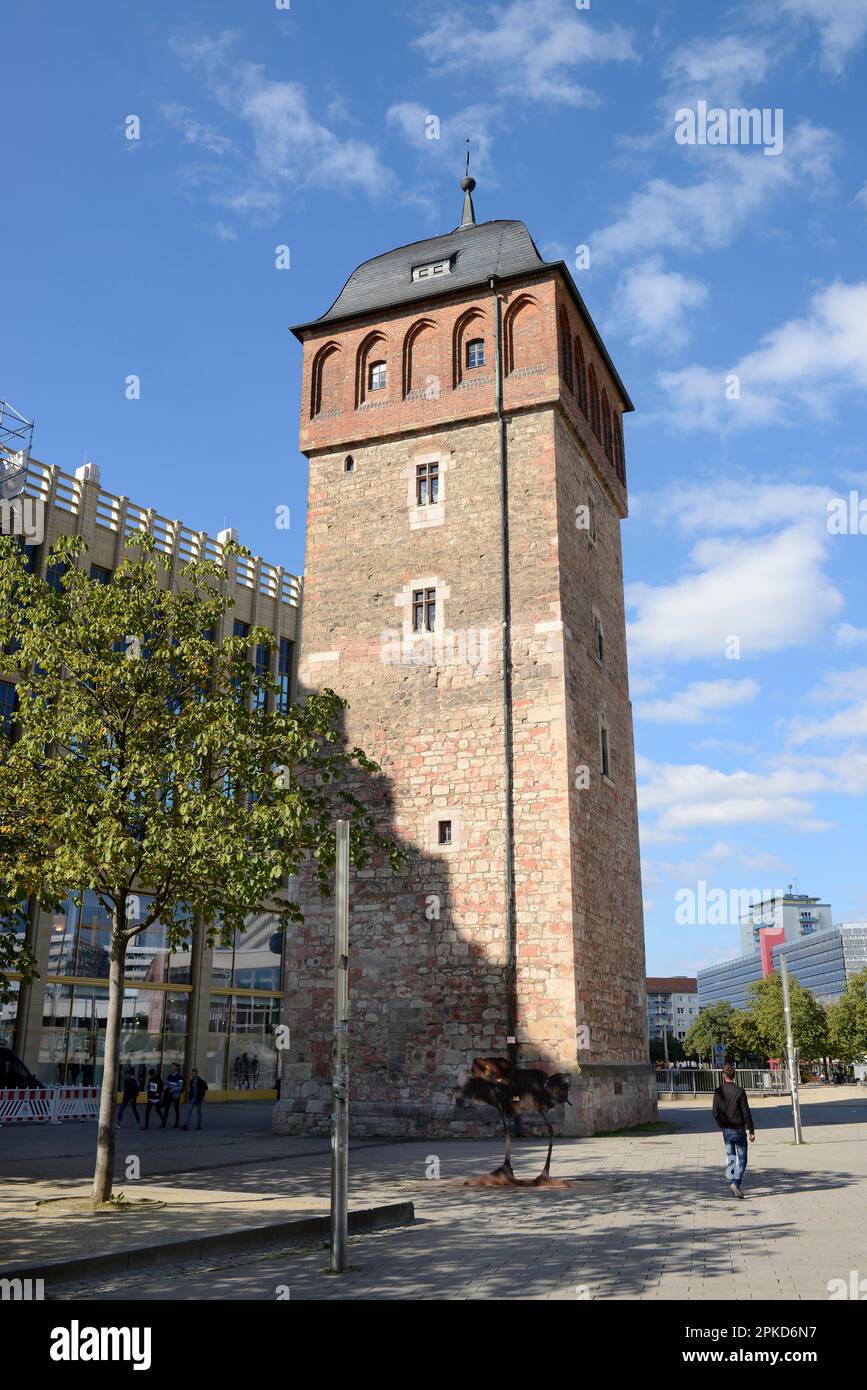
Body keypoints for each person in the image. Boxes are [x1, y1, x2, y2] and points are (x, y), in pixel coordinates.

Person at [712, 1060, 755, 1198]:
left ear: (724, 1076)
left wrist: (721, 1126)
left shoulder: (718, 1092)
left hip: (727, 1130)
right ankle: (736, 1183)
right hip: (739, 1129)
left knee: (731, 1156)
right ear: (734, 1076)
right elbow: (746, 1112)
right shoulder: (740, 1092)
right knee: (742, 1159)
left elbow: (715, 1112)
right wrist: (752, 1131)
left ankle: (732, 1180)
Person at [162, 1064, 184, 1129]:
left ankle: (176, 1124)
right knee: (166, 1109)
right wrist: (167, 1087)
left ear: (176, 1068)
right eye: (171, 1067)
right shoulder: (169, 1076)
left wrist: (172, 1089)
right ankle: (164, 1124)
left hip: (176, 1096)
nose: (171, 1068)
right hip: (169, 1095)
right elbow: (166, 1084)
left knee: (176, 1109)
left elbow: (180, 1086)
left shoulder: (179, 1077)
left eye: (173, 1067)